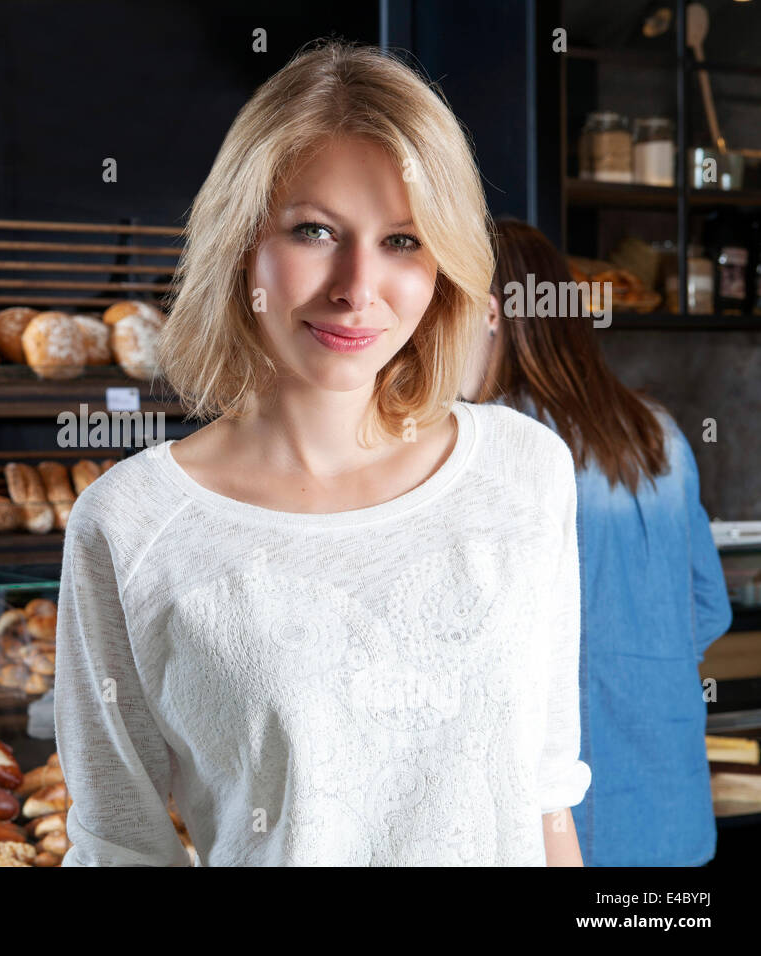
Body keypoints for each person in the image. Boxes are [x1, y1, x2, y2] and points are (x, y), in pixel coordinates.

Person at [53, 41, 591, 866]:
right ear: (241, 247)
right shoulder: (130, 525)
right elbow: (119, 843)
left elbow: (546, 803)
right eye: (314, 231)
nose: (356, 286)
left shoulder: (525, 473)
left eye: (404, 241)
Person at [460, 218, 733, 866]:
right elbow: (708, 608)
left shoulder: (494, 443)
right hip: (674, 815)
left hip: (567, 828)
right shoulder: (659, 432)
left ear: (491, 314)